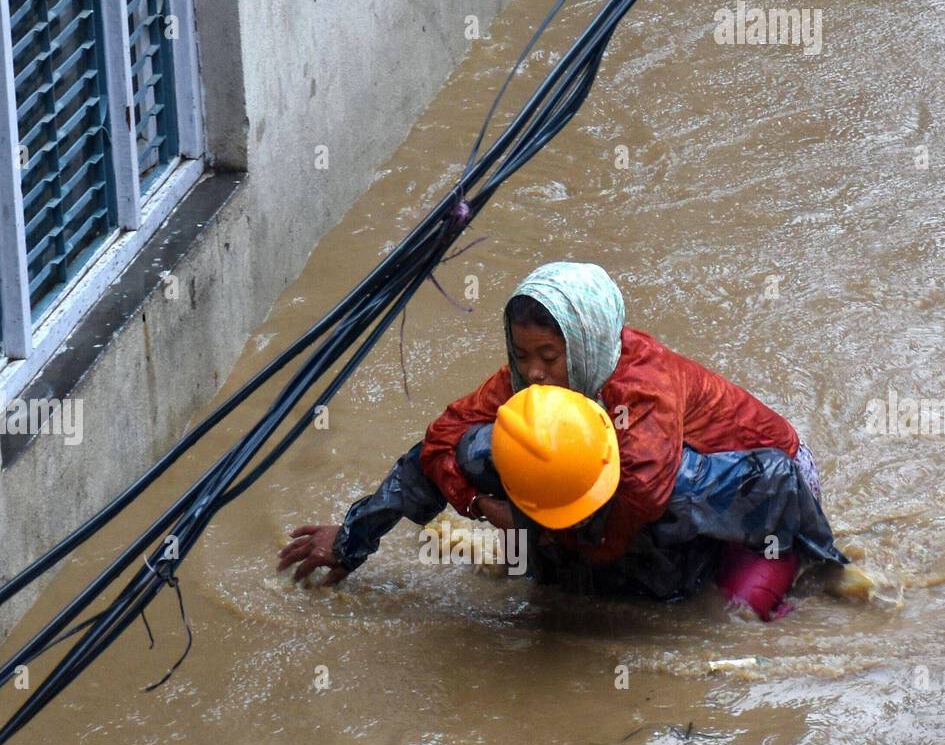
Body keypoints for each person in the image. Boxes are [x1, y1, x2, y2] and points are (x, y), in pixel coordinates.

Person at [277, 261, 845, 619]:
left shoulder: (640, 392)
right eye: (523, 357)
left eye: (551, 357)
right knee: (487, 447)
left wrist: (549, 538)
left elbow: (641, 497)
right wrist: (361, 534)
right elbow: (439, 444)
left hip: (754, 477)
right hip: (637, 490)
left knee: (672, 559)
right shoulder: (524, 386)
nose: (537, 374)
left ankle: (791, 556)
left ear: (589, 343)